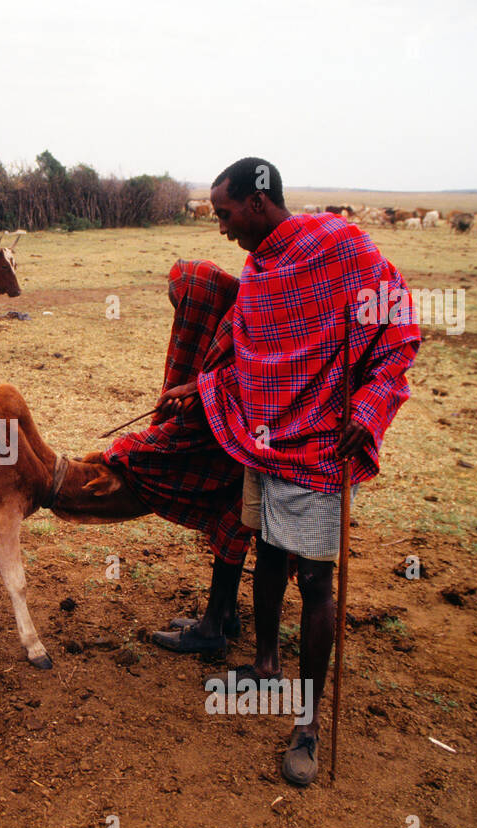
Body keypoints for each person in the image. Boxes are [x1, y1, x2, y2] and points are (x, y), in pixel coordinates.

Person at [177, 157, 420, 786]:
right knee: (268, 552)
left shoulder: (338, 247)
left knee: (315, 580)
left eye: (225, 214)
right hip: (264, 439)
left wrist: (369, 409)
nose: (222, 229)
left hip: (320, 443)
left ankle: (308, 722)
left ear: (257, 204)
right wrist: (202, 387)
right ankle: (264, 669)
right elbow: (255, 354)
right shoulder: (258, 268)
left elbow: (398, 327)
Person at [100, 259, 253, 659]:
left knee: (231, 523)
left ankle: (212, 631)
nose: (179, 318)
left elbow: (186, 435)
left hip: (247, 455)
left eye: (182, 307)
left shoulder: (234, 339)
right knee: (228, 524)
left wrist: (121, 449)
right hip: (247, 454)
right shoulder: (231, 324)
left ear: (199, 306)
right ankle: (223, 616)